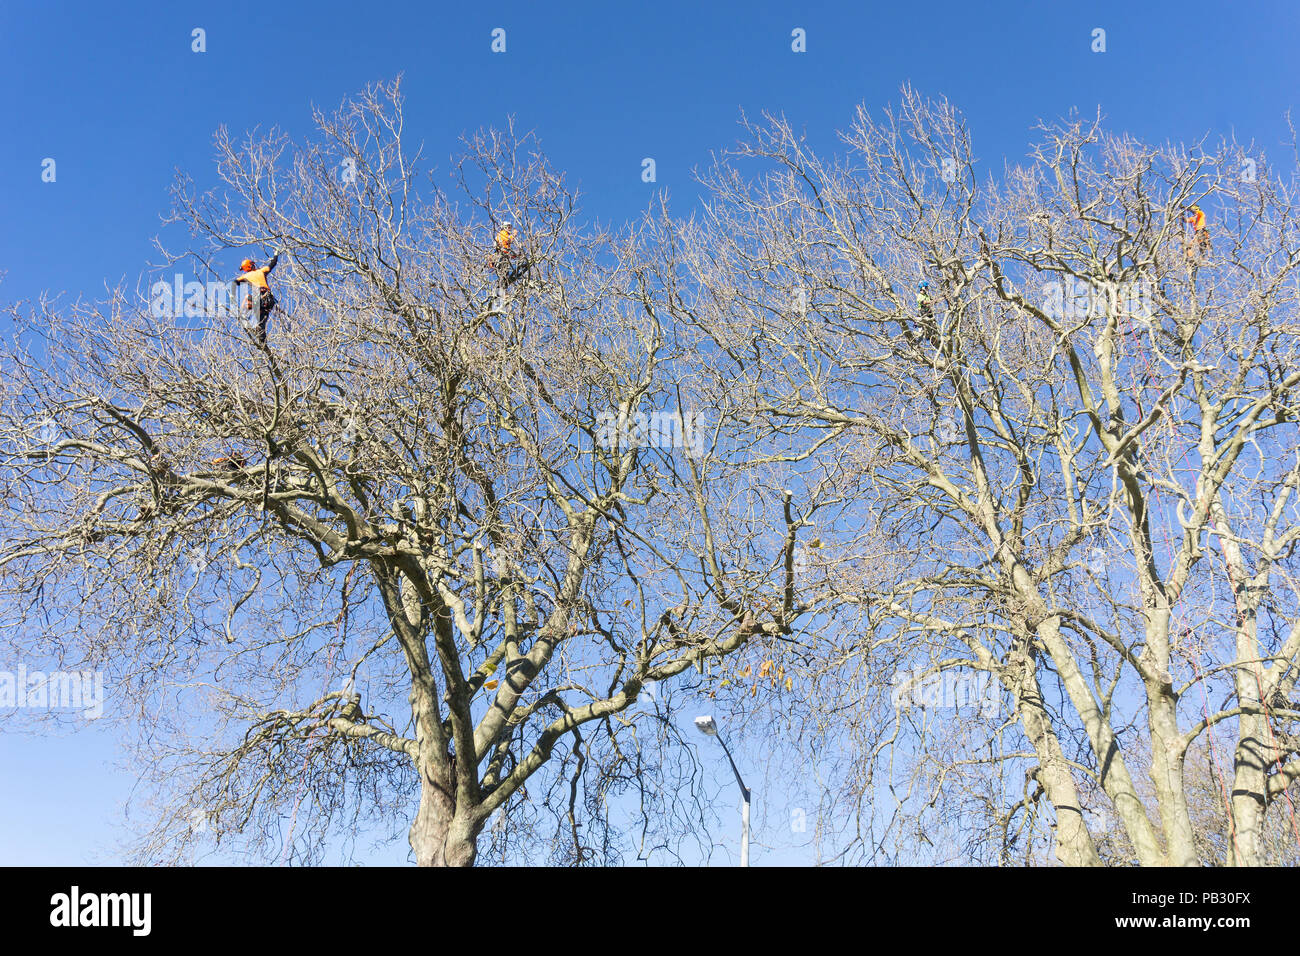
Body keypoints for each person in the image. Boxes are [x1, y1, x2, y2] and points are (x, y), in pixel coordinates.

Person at [233, 253, 280, 343]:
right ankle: (262, 339)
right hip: (269, 300)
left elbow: (235, 282)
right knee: (262, 320)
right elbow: (273, 263)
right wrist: (276, 255)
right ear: (252, 265)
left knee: (248, 298)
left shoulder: (246, 276)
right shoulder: (262, 271)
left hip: (259, 298)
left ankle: (242, 314)